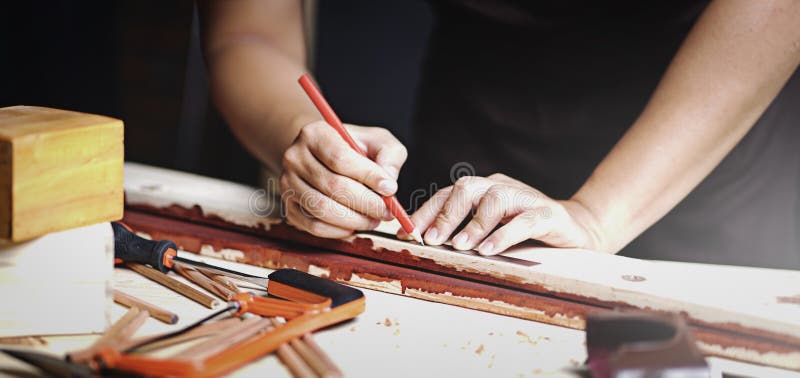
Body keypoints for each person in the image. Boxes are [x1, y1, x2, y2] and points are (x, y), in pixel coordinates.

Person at [199, 0, 800, 269]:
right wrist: (302, 137)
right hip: (462, 192)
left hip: (695, 179)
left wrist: (596, 217)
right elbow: (250, 32)